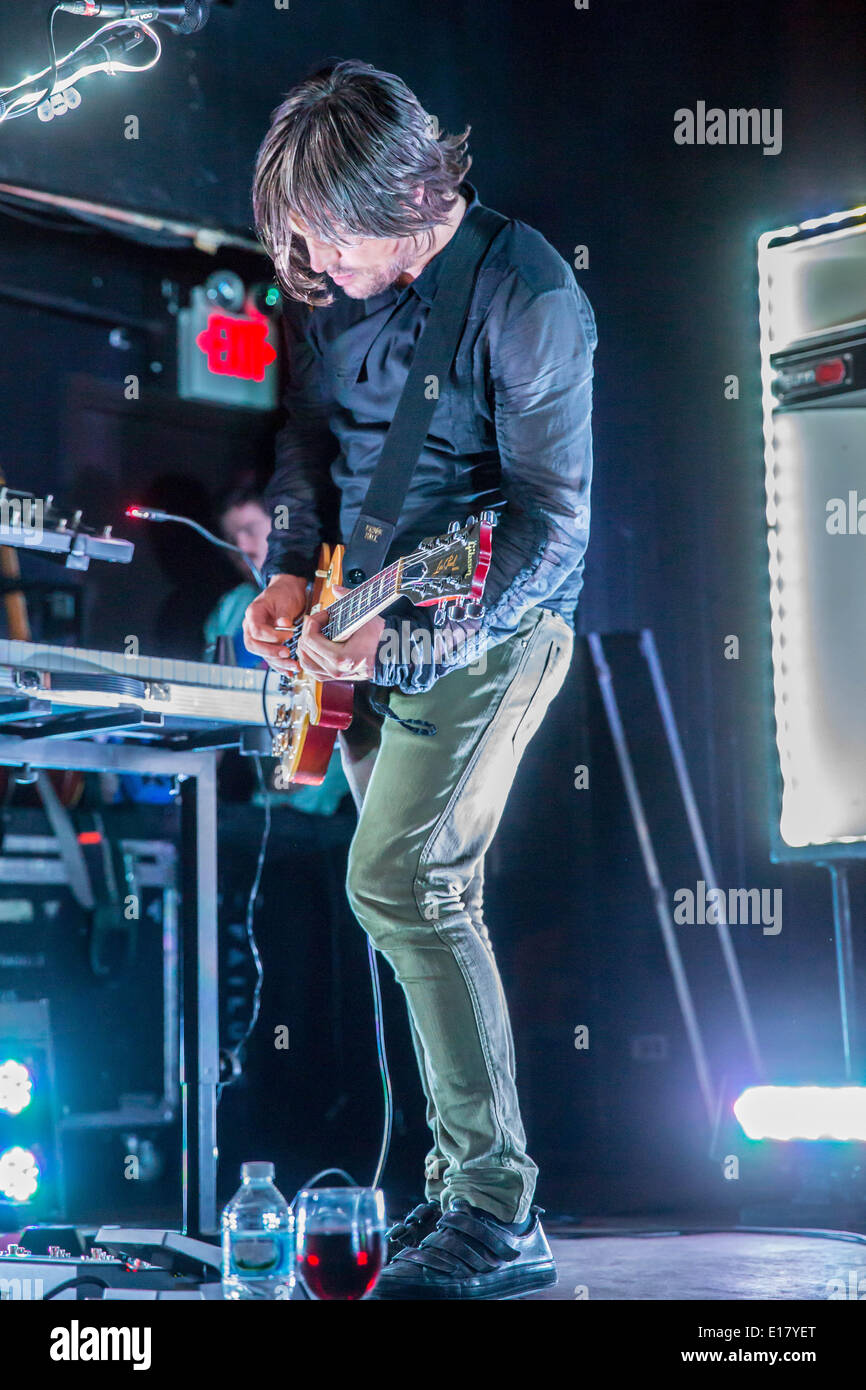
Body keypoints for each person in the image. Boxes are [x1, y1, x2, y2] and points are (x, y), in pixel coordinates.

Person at [243, 59, 597, 1300]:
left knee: (402, 878)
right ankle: (469, 1199)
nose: (315, 264)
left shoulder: (524, 290)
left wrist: (408, 642)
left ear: (410, 192)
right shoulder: (330, 282)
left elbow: (552, 529)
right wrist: (290, 571)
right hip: (361, 638)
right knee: (412, 907)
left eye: (330, 236)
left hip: (491, 632)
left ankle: (492, 1210)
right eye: (297, 238)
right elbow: (308, 440)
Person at [206, 484, 349, 812]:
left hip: (335, 796)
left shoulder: (328, 592)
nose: (241, 545)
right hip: (263, 798)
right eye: (231, 538)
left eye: (249, 530)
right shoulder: (231, 609)